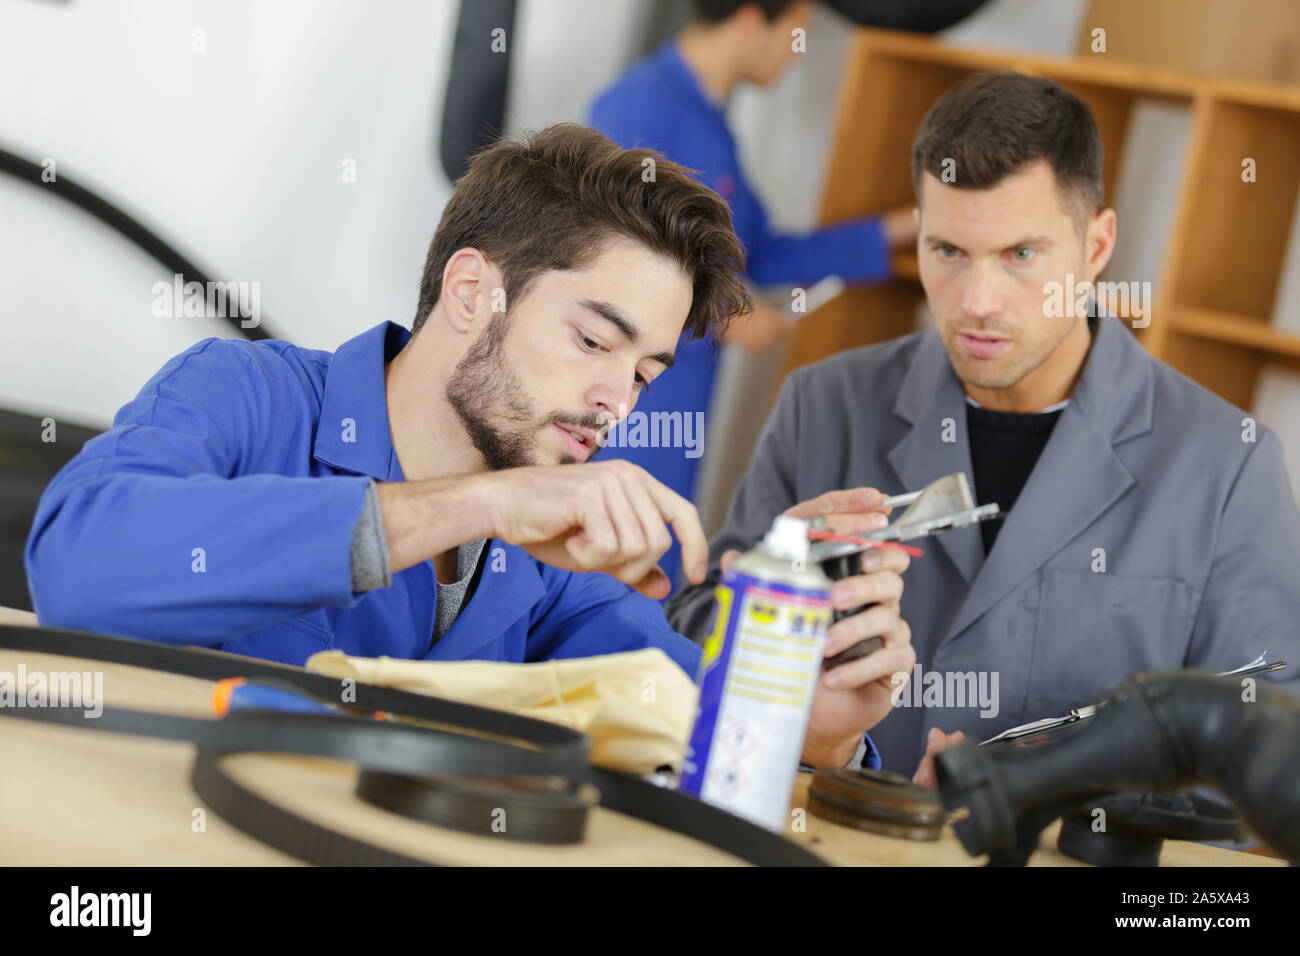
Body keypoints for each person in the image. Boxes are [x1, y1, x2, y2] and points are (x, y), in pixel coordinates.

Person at [25, 124, 915, 770]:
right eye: (595, 342)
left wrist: (819, 724)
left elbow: (681, 705)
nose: (615, 401)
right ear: (470, 292)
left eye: (644, 373)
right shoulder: (246, 397)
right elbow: (77, 567)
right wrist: (480, 505)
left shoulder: (551, 571)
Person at [665, 72, 1300, 777]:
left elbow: (1267, 762)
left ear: (1095, 248)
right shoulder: (824, 404)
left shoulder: (1229, 466)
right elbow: (694, 641)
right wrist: (776, 600)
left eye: (1020, 256)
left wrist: (1042, 795)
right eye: (949, 253)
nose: (978, 303)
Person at [588, 0, 917, 589]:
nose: (799, 54)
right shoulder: (636, 105)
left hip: (680, 397)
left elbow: (759, 253)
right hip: (624, 398)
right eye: (796, 35)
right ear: (748, 21)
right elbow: (599, 256)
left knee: (653, 566)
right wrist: (723, 317)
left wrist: (897, 229)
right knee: (605, 562)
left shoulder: (712, 130)